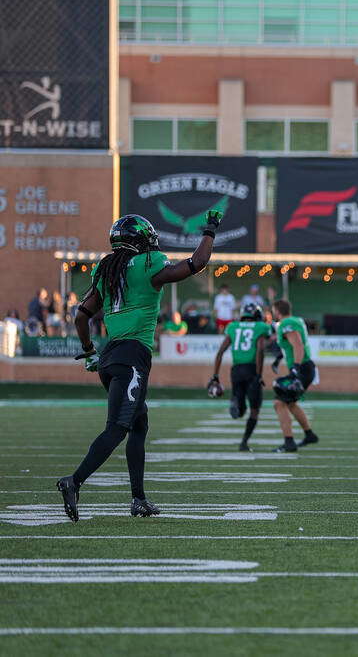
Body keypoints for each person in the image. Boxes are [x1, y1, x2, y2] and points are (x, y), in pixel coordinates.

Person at [56, 208, 225, 522]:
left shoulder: (107, 269)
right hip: (132, 358)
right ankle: (74, 481)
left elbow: (81, 316)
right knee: (117, 429)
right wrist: (210, 230)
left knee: (139, 424)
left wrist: (90, 351)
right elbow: (196, 263)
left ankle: (139, 499)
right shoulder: (149, 263)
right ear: (143, 238)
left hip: (109, 358)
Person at [209, 302, 272, 452]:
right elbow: (260, 351)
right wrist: (259, 374)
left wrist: (216, 376)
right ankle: (244, 442)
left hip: (236, 370)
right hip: (251, 370)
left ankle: (235, 400)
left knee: (241, 411)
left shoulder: (232, 326)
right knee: (255, 410)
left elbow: (220, 352)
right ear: (257, 316)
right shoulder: (261, 327)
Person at [270, 300, 320, 453]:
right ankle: (309, 434)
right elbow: (291, 345)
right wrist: (279, 359)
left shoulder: (286, 324)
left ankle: (289, 442)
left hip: (302, 368)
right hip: (305, 367)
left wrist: (295, 369)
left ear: (277, 311)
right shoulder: (295, 320)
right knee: (290, 403)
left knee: (279, 403)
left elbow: (297, 344)